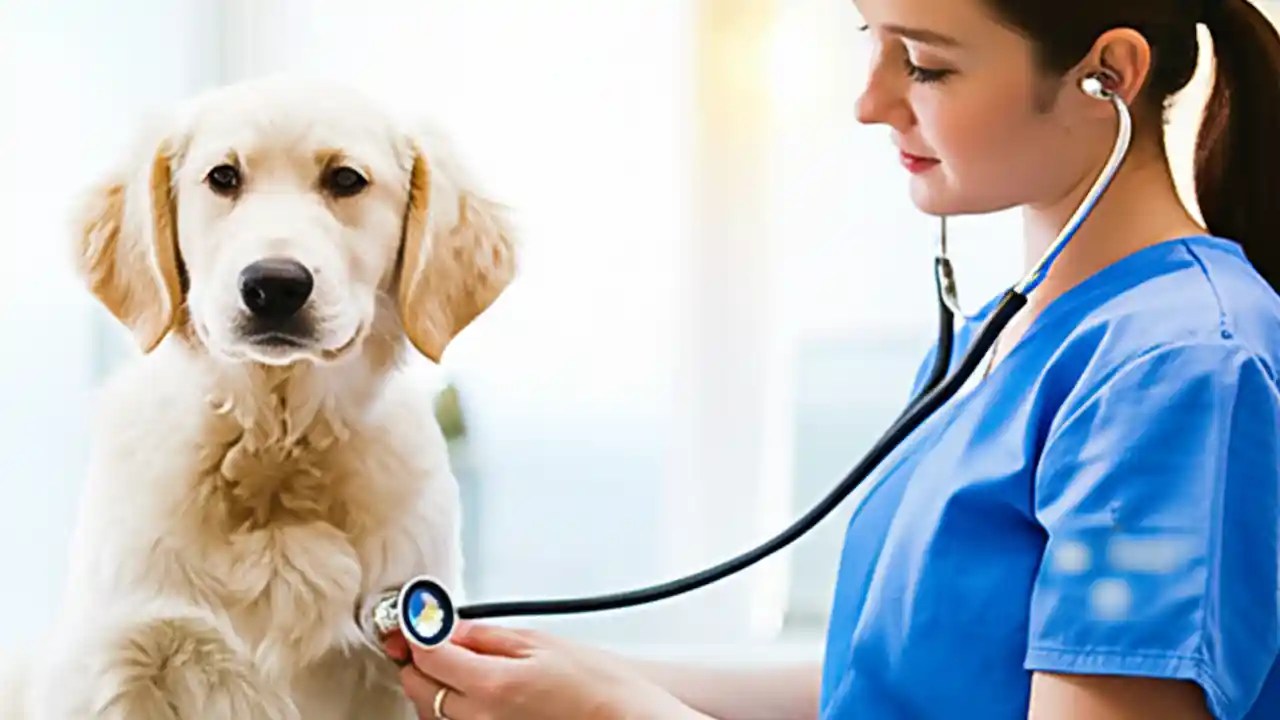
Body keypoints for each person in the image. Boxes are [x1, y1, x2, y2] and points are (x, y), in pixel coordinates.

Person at [383, 0, 1280, 717]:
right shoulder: (998, 345)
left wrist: (617, 711)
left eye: (925, 64)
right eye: (871, 43)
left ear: (1107, 77)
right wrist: (572, 672)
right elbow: (895, 680)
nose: (869, 102)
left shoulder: (1179, 374)